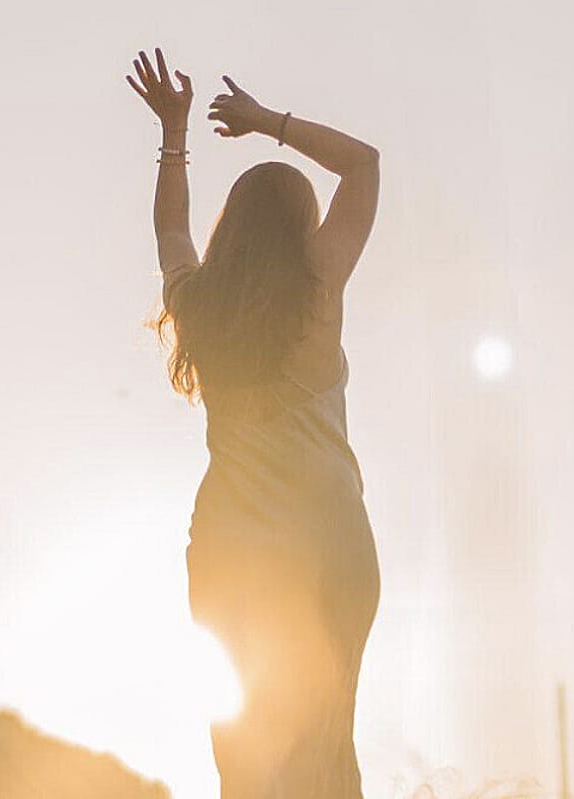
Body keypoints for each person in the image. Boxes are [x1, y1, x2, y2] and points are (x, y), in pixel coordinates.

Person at [126, 47, 382, 798]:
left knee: (247, 748)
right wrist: (265, 121)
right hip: (330, 545)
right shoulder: (317, 288)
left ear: (231, 229)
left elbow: (170, 228)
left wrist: (176, 135)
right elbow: (363, 166)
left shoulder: (199, 302)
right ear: (302, 225)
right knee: (328, 741)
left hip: (233, 555)